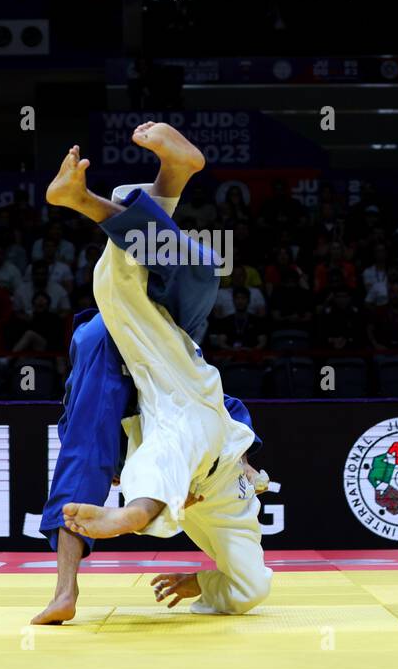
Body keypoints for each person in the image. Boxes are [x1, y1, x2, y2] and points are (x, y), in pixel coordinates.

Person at [33, 125, 270, 624]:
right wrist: (65, 587)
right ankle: (160, 182)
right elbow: (83, 459)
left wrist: (205, 578)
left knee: (191, 270)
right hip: (176, 390)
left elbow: (249, 586)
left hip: (176, 412)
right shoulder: (102, 356)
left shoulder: (228, 510)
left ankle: (149, 186)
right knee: (161, 285)